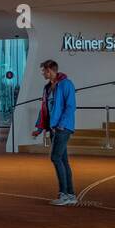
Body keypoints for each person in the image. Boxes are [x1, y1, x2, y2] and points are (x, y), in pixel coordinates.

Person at [32, 59, 77, 206]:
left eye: (44, 71)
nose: (42, 73)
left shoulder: (66, 84)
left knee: (55, 157)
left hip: (62, 128)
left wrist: (62, 125)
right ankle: (70, 194)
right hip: (53, 128)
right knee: (63, 160)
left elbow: (70, 106)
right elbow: (44, 109)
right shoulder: (47, 88)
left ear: (50, 70)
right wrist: (39, 129)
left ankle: (64, 194)